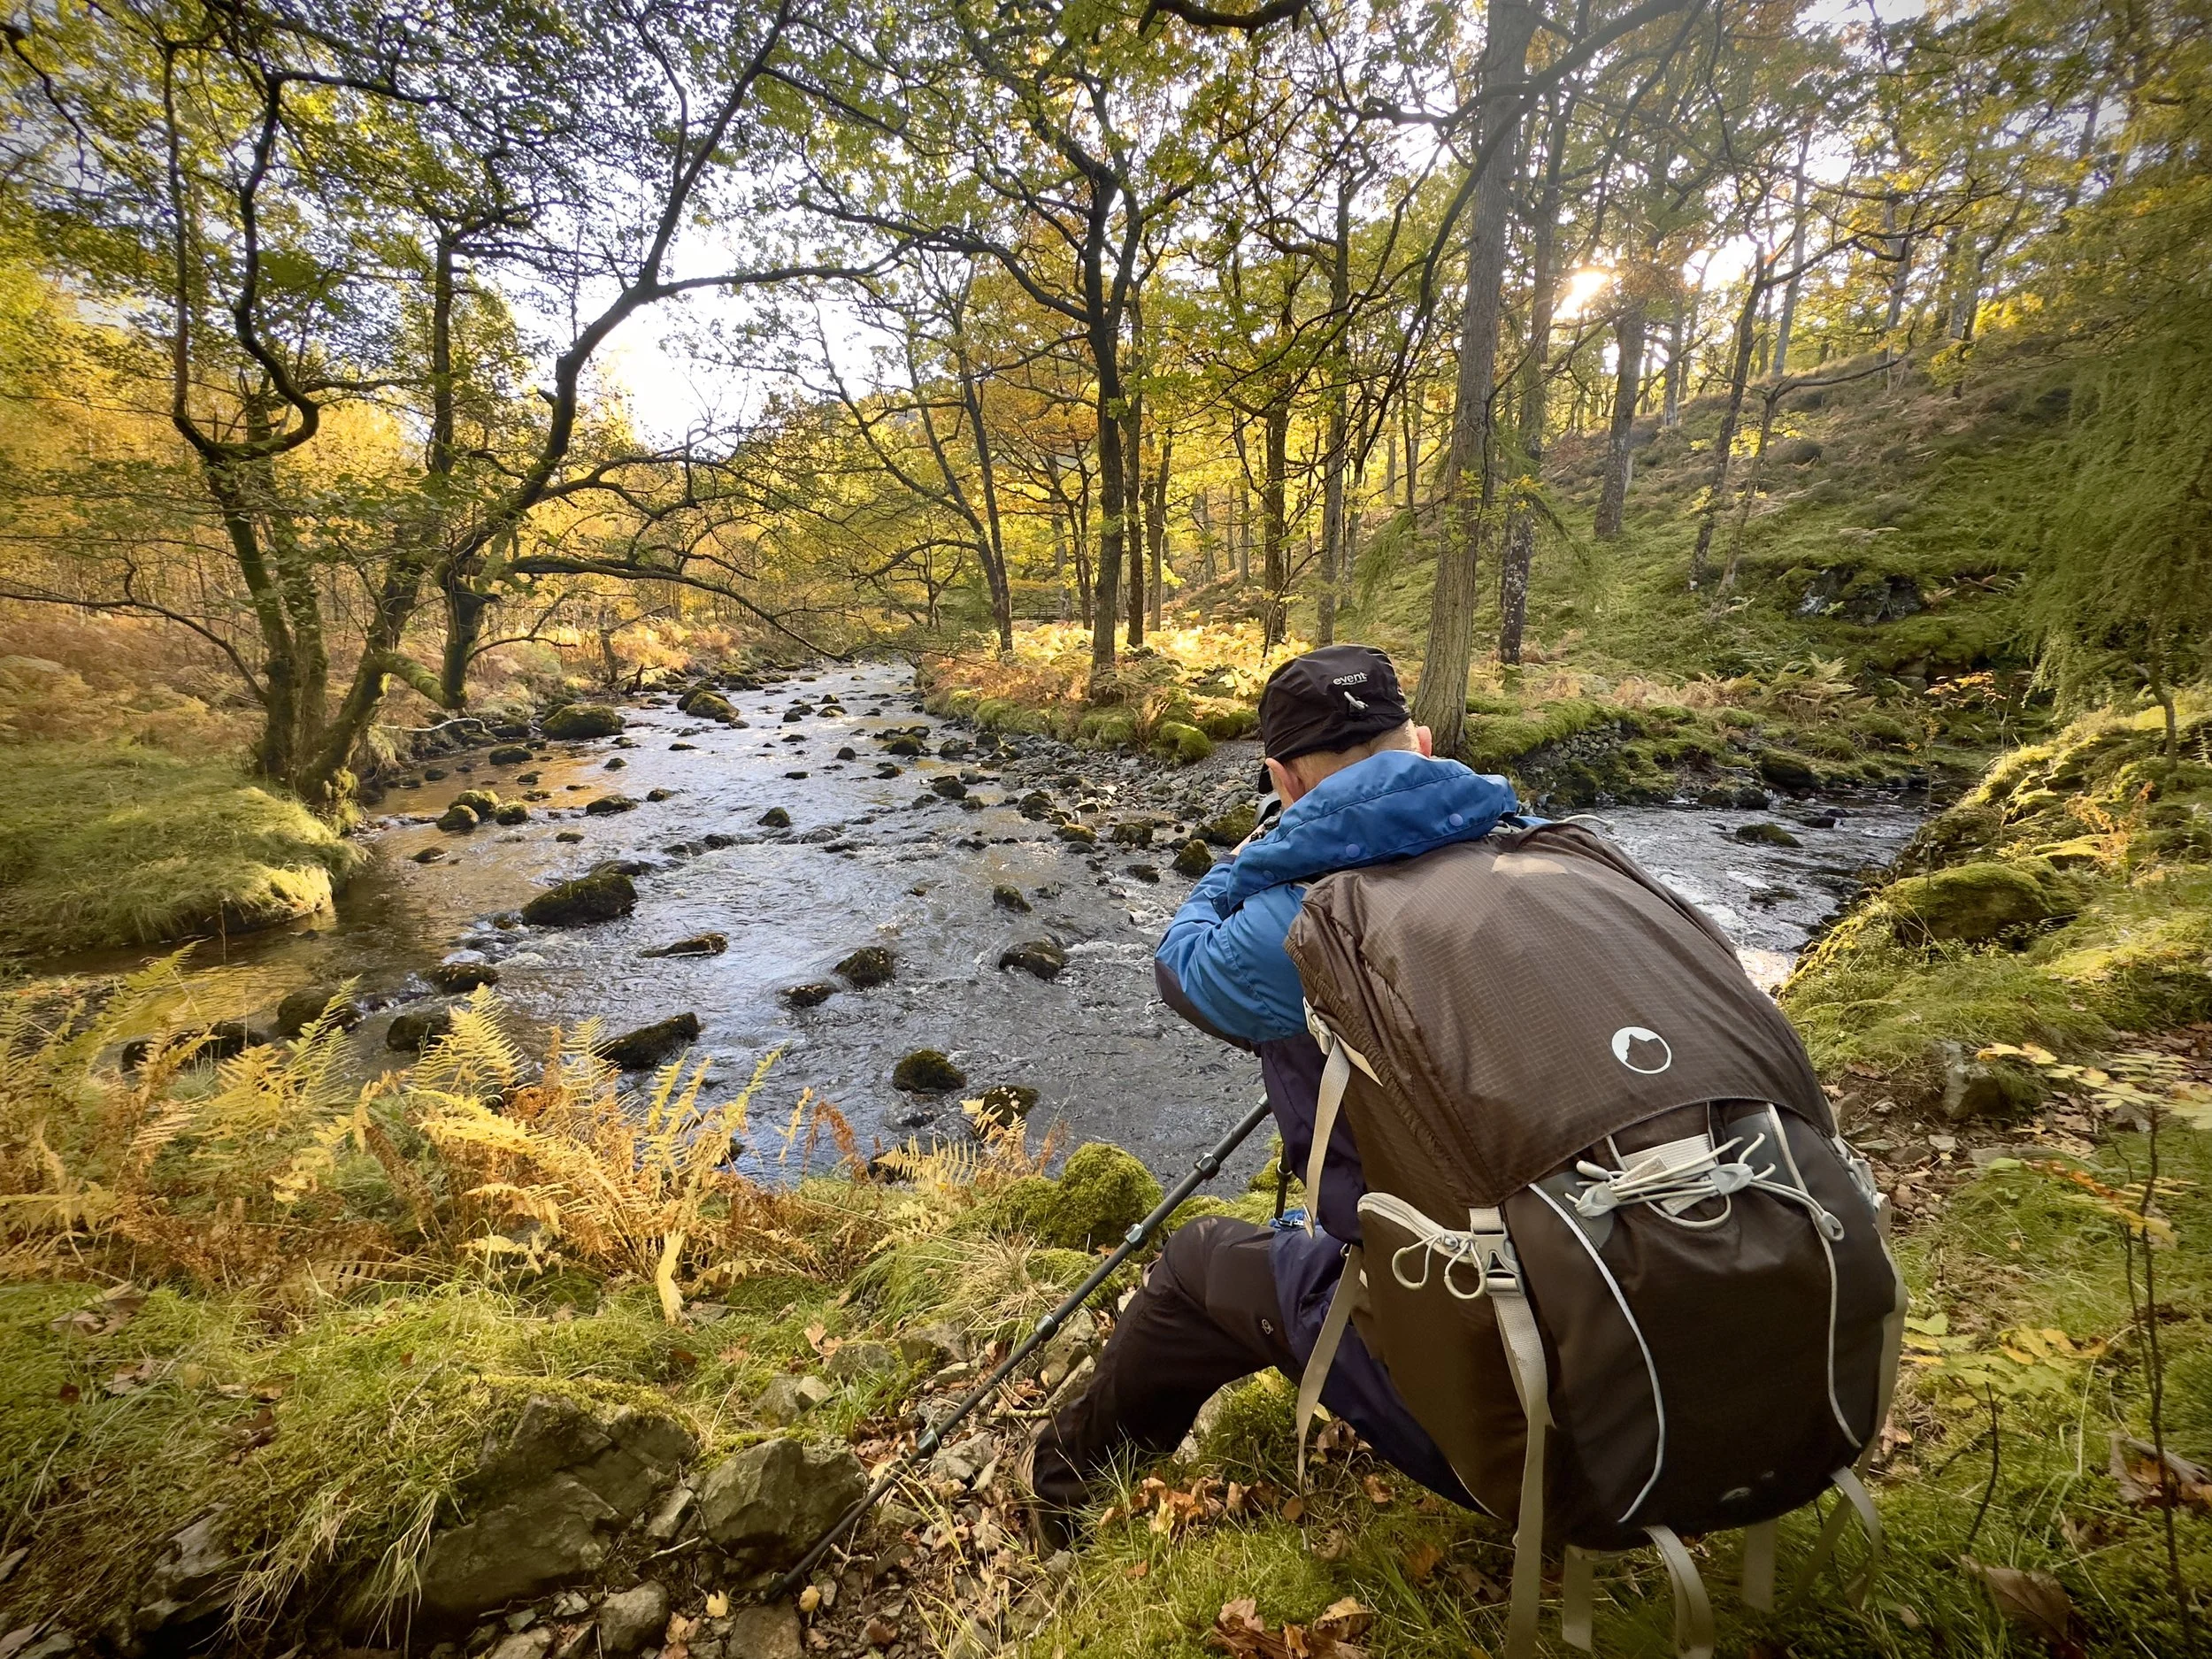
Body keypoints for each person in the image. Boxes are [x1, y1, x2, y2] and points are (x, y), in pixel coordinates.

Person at [1018, 643, 1522, 1546]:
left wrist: (1261, 852)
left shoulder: (1290, 925)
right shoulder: (1553, 857)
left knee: (1199, 1261)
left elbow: (1181, 961)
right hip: (1711, 1355)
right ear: (1425, 740)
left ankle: (1056, 1500)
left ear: (1285, 781)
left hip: (1522, 1421)